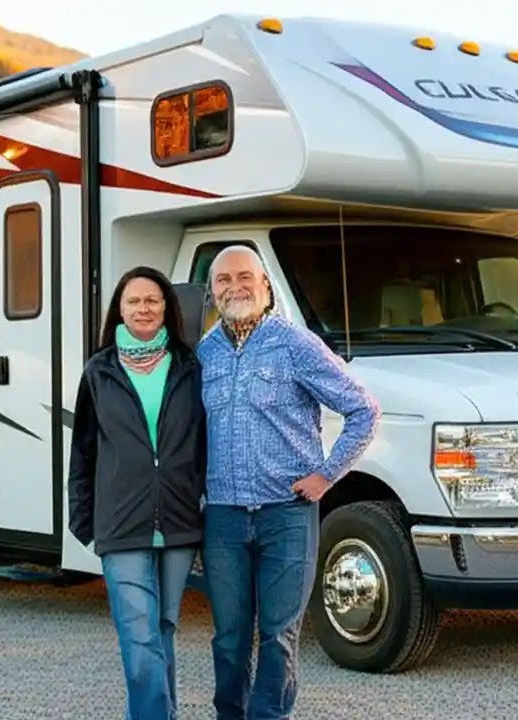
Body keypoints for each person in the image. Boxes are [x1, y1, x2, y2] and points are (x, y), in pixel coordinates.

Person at [197, 245, 381, 719]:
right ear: (212, 292)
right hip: (223, 517)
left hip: (287, 514)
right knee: (229, 636)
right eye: (223, 280)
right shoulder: (204, 354)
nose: (234, 287)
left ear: (265, 286)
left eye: (244, 277)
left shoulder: (296, 345)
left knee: (279, 633)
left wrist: (327, 475)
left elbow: (363, 409)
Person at [67, 265, 207, 720]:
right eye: (134, 301)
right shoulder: (99, 371)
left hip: (180, 521)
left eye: (152, 300)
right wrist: (83, 518)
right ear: (119, 311)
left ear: (167, 307)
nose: (143, 309)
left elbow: (204, 444)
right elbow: (83, 450)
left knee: (163, 629)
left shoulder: (190, 368)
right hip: (121, 523)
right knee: (139, 634)